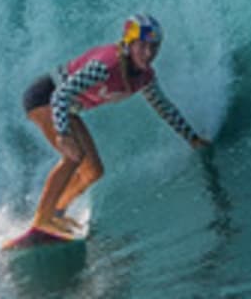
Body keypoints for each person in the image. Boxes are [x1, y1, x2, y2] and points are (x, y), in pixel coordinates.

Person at [15, 13, 209, 242]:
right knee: (72, 156)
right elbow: (61, 94)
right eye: (142, 46)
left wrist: (192, 138)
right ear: (129, 43)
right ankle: (41, 220)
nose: (148, 53)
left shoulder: (144, 76)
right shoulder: (106, 66)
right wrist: (63, 134)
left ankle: (57, 212)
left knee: (94, 171)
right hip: (44, 98)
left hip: (66, 107)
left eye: (154, 47)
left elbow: (163, 107)